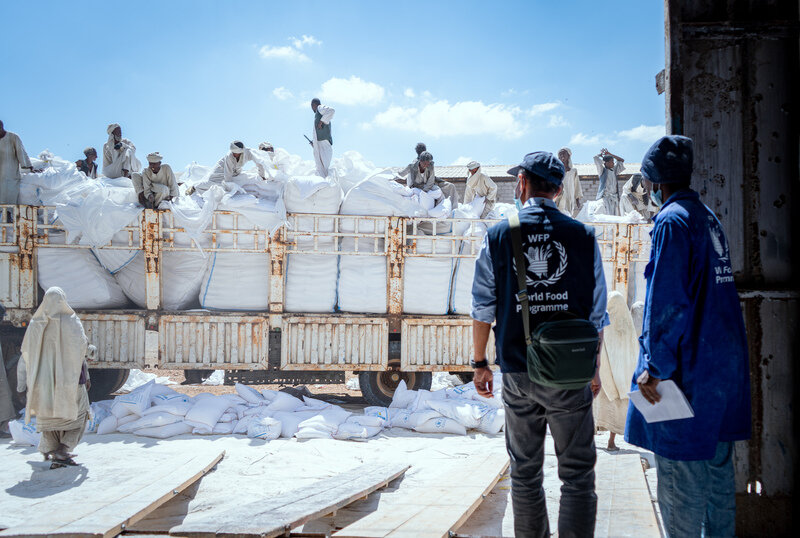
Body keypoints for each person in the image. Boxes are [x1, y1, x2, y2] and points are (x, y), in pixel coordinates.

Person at [471, 151, 609, 537]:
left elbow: (482, 307)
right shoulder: (583, 236)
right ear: (560, 190)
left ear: (521, 184)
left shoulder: (499, 234)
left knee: (525, 474)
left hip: (519, 369)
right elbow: (597, 312)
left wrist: (479, 361)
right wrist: (594, 369)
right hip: (571, 374)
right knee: (578, 476)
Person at [625, 135, 751, 537]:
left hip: (688, 379)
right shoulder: (707, 217)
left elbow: (667, 302)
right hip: (720, 378)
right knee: (717, 485)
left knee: (680, 487)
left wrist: (655, 368)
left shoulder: (672, 221)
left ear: (654, 183)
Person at [17, 287, 91, 469]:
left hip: (43, 383)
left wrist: (21, 387)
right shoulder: (71, 321)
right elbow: (82, 349)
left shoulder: (36, 324)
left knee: (50, 420)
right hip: (71, 382)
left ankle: (51, 451)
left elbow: (25, 355)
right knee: (79, 417)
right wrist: (87, 372)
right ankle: (63, 449)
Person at [593, 290, 638, 451]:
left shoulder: (604, 326)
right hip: (620, 382)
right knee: (614, 411)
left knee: (598, 409)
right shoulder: (628, 328)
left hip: (603, 379)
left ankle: (595, 441)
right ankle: (611, 442)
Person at [0, 120, 35, 204]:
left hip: (10, 174)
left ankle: (8, 213)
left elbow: (21, 152)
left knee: (8, 196)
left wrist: (28, 167)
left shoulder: (12, 137)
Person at [593, 148, 624, 216]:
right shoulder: (602, 171)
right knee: (606, 215)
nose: (613, 163)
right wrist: (600, 155)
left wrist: (610, 154)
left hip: (614, 198)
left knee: (615, 216)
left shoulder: (615, 170)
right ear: (606, 163)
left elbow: (621, 160)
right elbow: (595, 158)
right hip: (605, 198)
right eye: (611, 161)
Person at [554, 147, 583, 217]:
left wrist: (577, 199)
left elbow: (577, 185)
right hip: (559, 196)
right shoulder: (556, 170)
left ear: (569, 155)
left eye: (563, 153)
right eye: (560, 155)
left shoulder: (573, 171)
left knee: (568, 213)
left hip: (569, 195)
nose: (562, 156)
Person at [309, 98, 335, 177]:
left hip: (324, 142)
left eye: (312, 106)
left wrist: (321, 121)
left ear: (314, 105)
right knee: (320, 166)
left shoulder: (320, 108)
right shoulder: (317, 114)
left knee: (325, 166)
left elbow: (331, 110)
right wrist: (314, 144)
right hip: (320, 143)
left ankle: (328, 181)